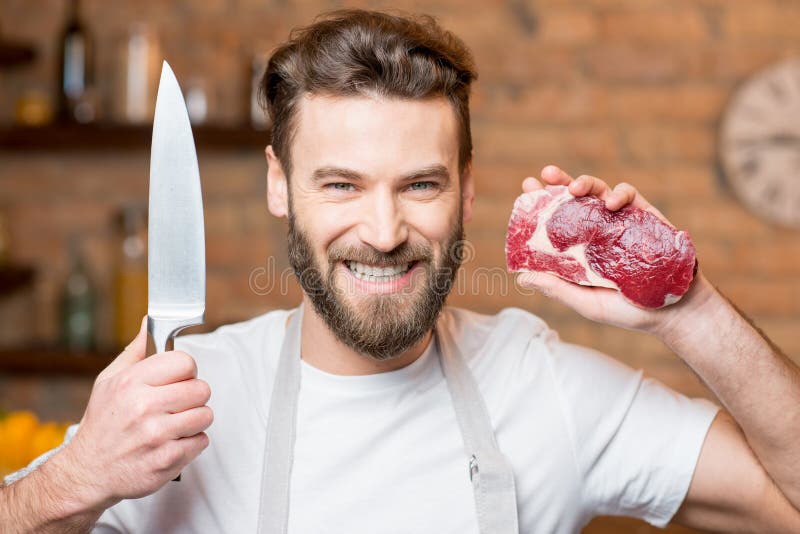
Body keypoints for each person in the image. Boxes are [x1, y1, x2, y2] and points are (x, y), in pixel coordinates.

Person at [2, 9, 799, 534]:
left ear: (468, 189)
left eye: (420, 185)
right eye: (341, 186)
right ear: (280, 185)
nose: (383, 234)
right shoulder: (184, 396)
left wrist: (688, 310)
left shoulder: (542, 385)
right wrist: (75, 476)